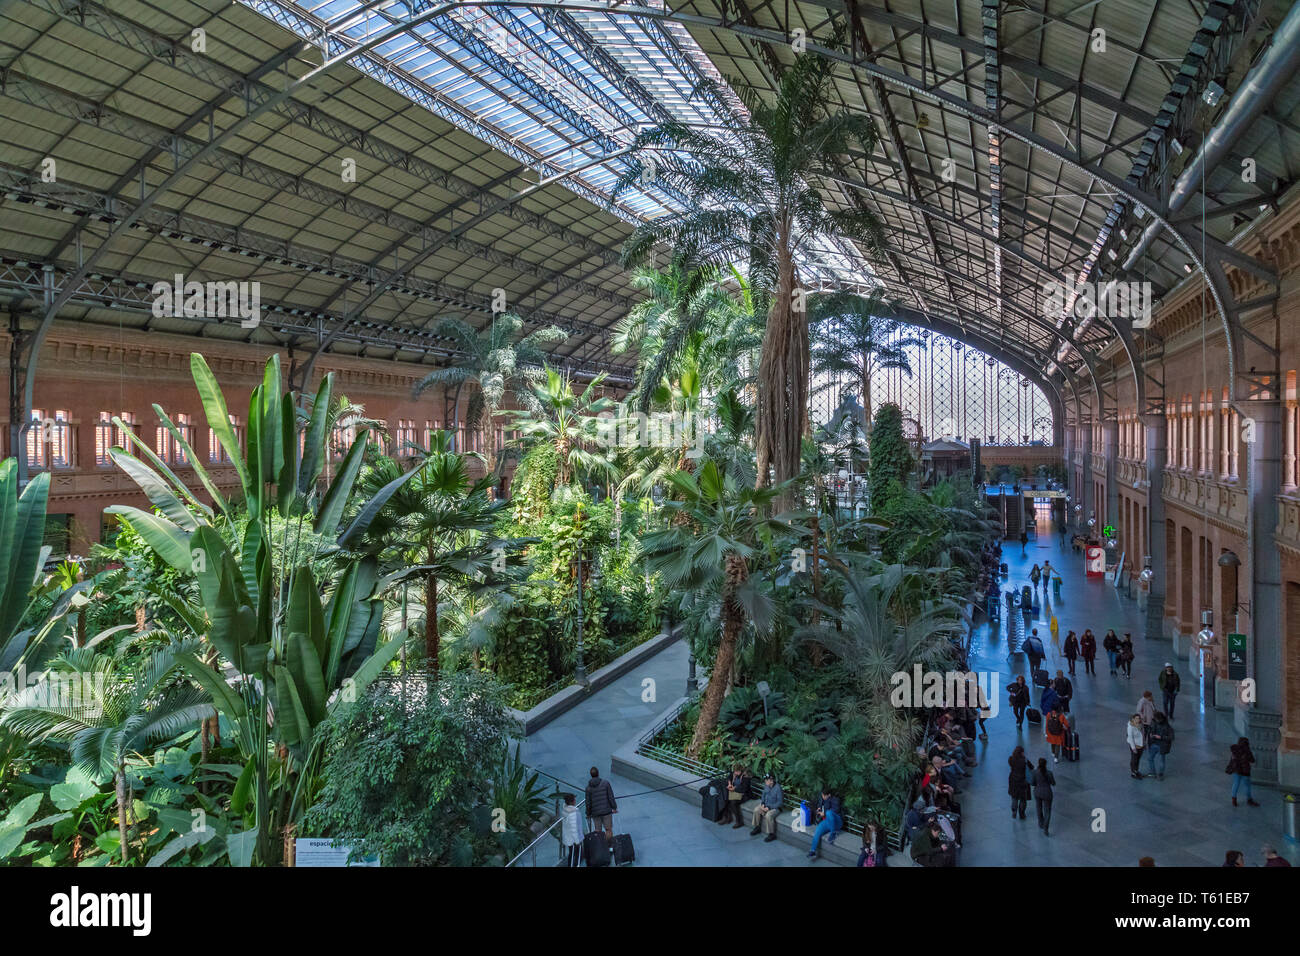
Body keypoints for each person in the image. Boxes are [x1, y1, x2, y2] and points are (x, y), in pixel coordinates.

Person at [585, 766, 618, 842]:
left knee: (598, 831)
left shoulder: (588, 788)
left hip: (595, 813)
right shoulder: (605, 783)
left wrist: (588, 813)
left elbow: (588, 802)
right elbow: (611, 797)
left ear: (591, 775)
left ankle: (601, 849)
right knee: (608, 829)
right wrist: (614, 808)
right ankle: (609, 846)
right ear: (598, 773)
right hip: (606, 811)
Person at [808, 788, 842, 859]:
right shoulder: (823, 799)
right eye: (822, 795)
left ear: (829, 795)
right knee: (817, 831)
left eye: (824, 795)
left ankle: (833, 833)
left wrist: (824, 813)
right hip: (828, 822)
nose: (823, 797)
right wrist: (818, 809)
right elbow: (814, 805)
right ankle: (812, 851)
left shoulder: (835, 799)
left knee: (829, 813)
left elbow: (836, 810)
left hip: (837, 822)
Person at [749, 772, 783, 842]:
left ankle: (771, 834)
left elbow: (780, 803)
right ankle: (757, 827)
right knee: (756, 810)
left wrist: (769, 808)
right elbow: (763, 796)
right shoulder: (766, 786)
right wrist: (762, 803)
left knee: (768, 815)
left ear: (771, 780)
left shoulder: (778, 788)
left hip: (775, 808)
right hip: (766, 805)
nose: (765, 781)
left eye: (767, 780)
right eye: (765, 780)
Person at [1228, 737, 1260, 807]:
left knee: (1236, 784)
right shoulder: (1247, 751)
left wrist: (1230, 769)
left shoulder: (1234, 750)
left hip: (1237, 771)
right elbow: (1252, 760)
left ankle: (1234, 799)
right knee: (1247, 786)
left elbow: (1232, 761)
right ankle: (1249, 799)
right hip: (1245, 771)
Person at [1146, 711, 1173, 780]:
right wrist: (1150, 733)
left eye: (1157, 719)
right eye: (1155, 719)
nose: (1156, 720)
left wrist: (1161, 737)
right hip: (1154, 743)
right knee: (1150, 758)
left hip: (1162, 745)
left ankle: (1160, 774)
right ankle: (1153, 772)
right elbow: (1150, 729)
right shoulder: (1153, 722)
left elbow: (1171, 737)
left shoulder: (1167, 726)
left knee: (1162, 760)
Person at [1008, 745, 1032, 819]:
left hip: (1013, 780)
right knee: (1023, 799)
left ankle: (1014, 811)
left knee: (1014, 797)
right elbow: (1032, 767)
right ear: (1021, 753)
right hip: (1022, 781)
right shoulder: (1024, 760)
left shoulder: (1011, 759)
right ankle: (1022, 814)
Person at [1033, 757, 1056, 835]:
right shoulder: (1049, 773)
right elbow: (1053, 783)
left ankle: (1040, 823)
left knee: (1038, 808)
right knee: (1047, 811)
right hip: (1047, 793)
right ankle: (1046, 827)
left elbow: (1033, 782)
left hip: (1037, 792)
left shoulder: (1035, 772)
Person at [561, 793, 583, 867]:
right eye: (574, 799)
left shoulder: (565, 810)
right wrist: (577, 841)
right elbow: (574, 829)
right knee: (577, 855)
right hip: (574, 840)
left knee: (571, 854)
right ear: (572, 802)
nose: (575, 800)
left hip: (569, 838)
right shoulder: (573, 813)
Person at [1127, 715, 1146, 779]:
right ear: (1133, 719)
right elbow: (1130, 738)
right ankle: (1133, 773)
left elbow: (1143, 735)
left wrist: (1144, 744)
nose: (1138, 719)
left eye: (1139, 718)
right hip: (1135, 745)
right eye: (1136, 718)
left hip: (1141, 745)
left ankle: (1136, 771)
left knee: (1138, 759)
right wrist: (1133, 748)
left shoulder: (1141, 725)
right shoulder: (1130, 727)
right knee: (1134, 759)